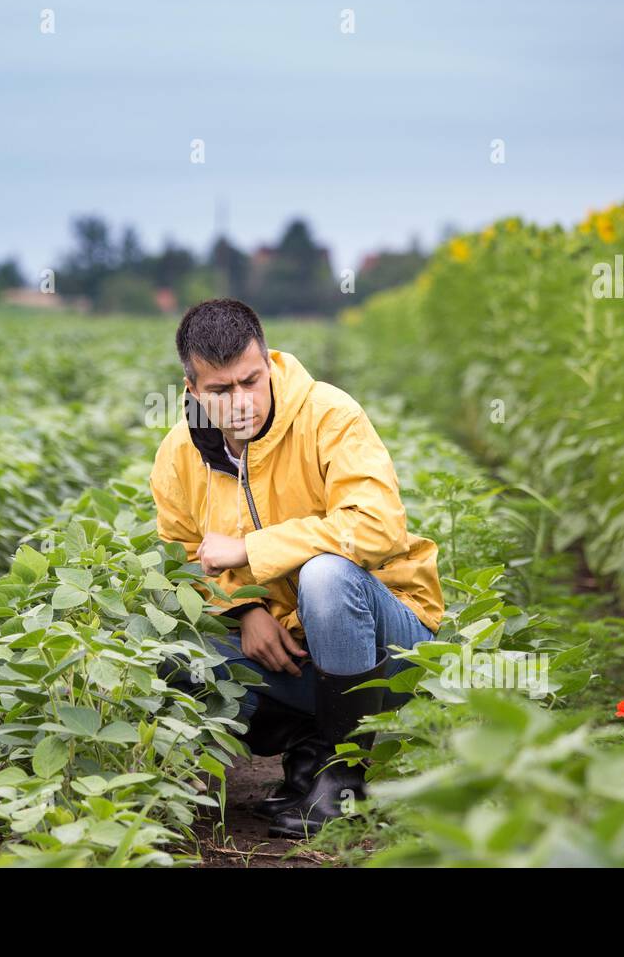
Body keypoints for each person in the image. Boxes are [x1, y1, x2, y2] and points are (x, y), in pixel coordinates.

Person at [148, 298, 444, 839]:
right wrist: (245, 610)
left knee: (325, 576)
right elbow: (182, 558)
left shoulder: (328, 414)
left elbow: (377, 527)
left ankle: (343, 776)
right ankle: (298, 751)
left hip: (391, 649)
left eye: (250, 380)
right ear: (192, 391)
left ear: (267, 361)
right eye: (220, 390)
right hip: (291, 653)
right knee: (161, 645)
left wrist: (251, 549)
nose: (241, 402)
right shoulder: (178, 454)